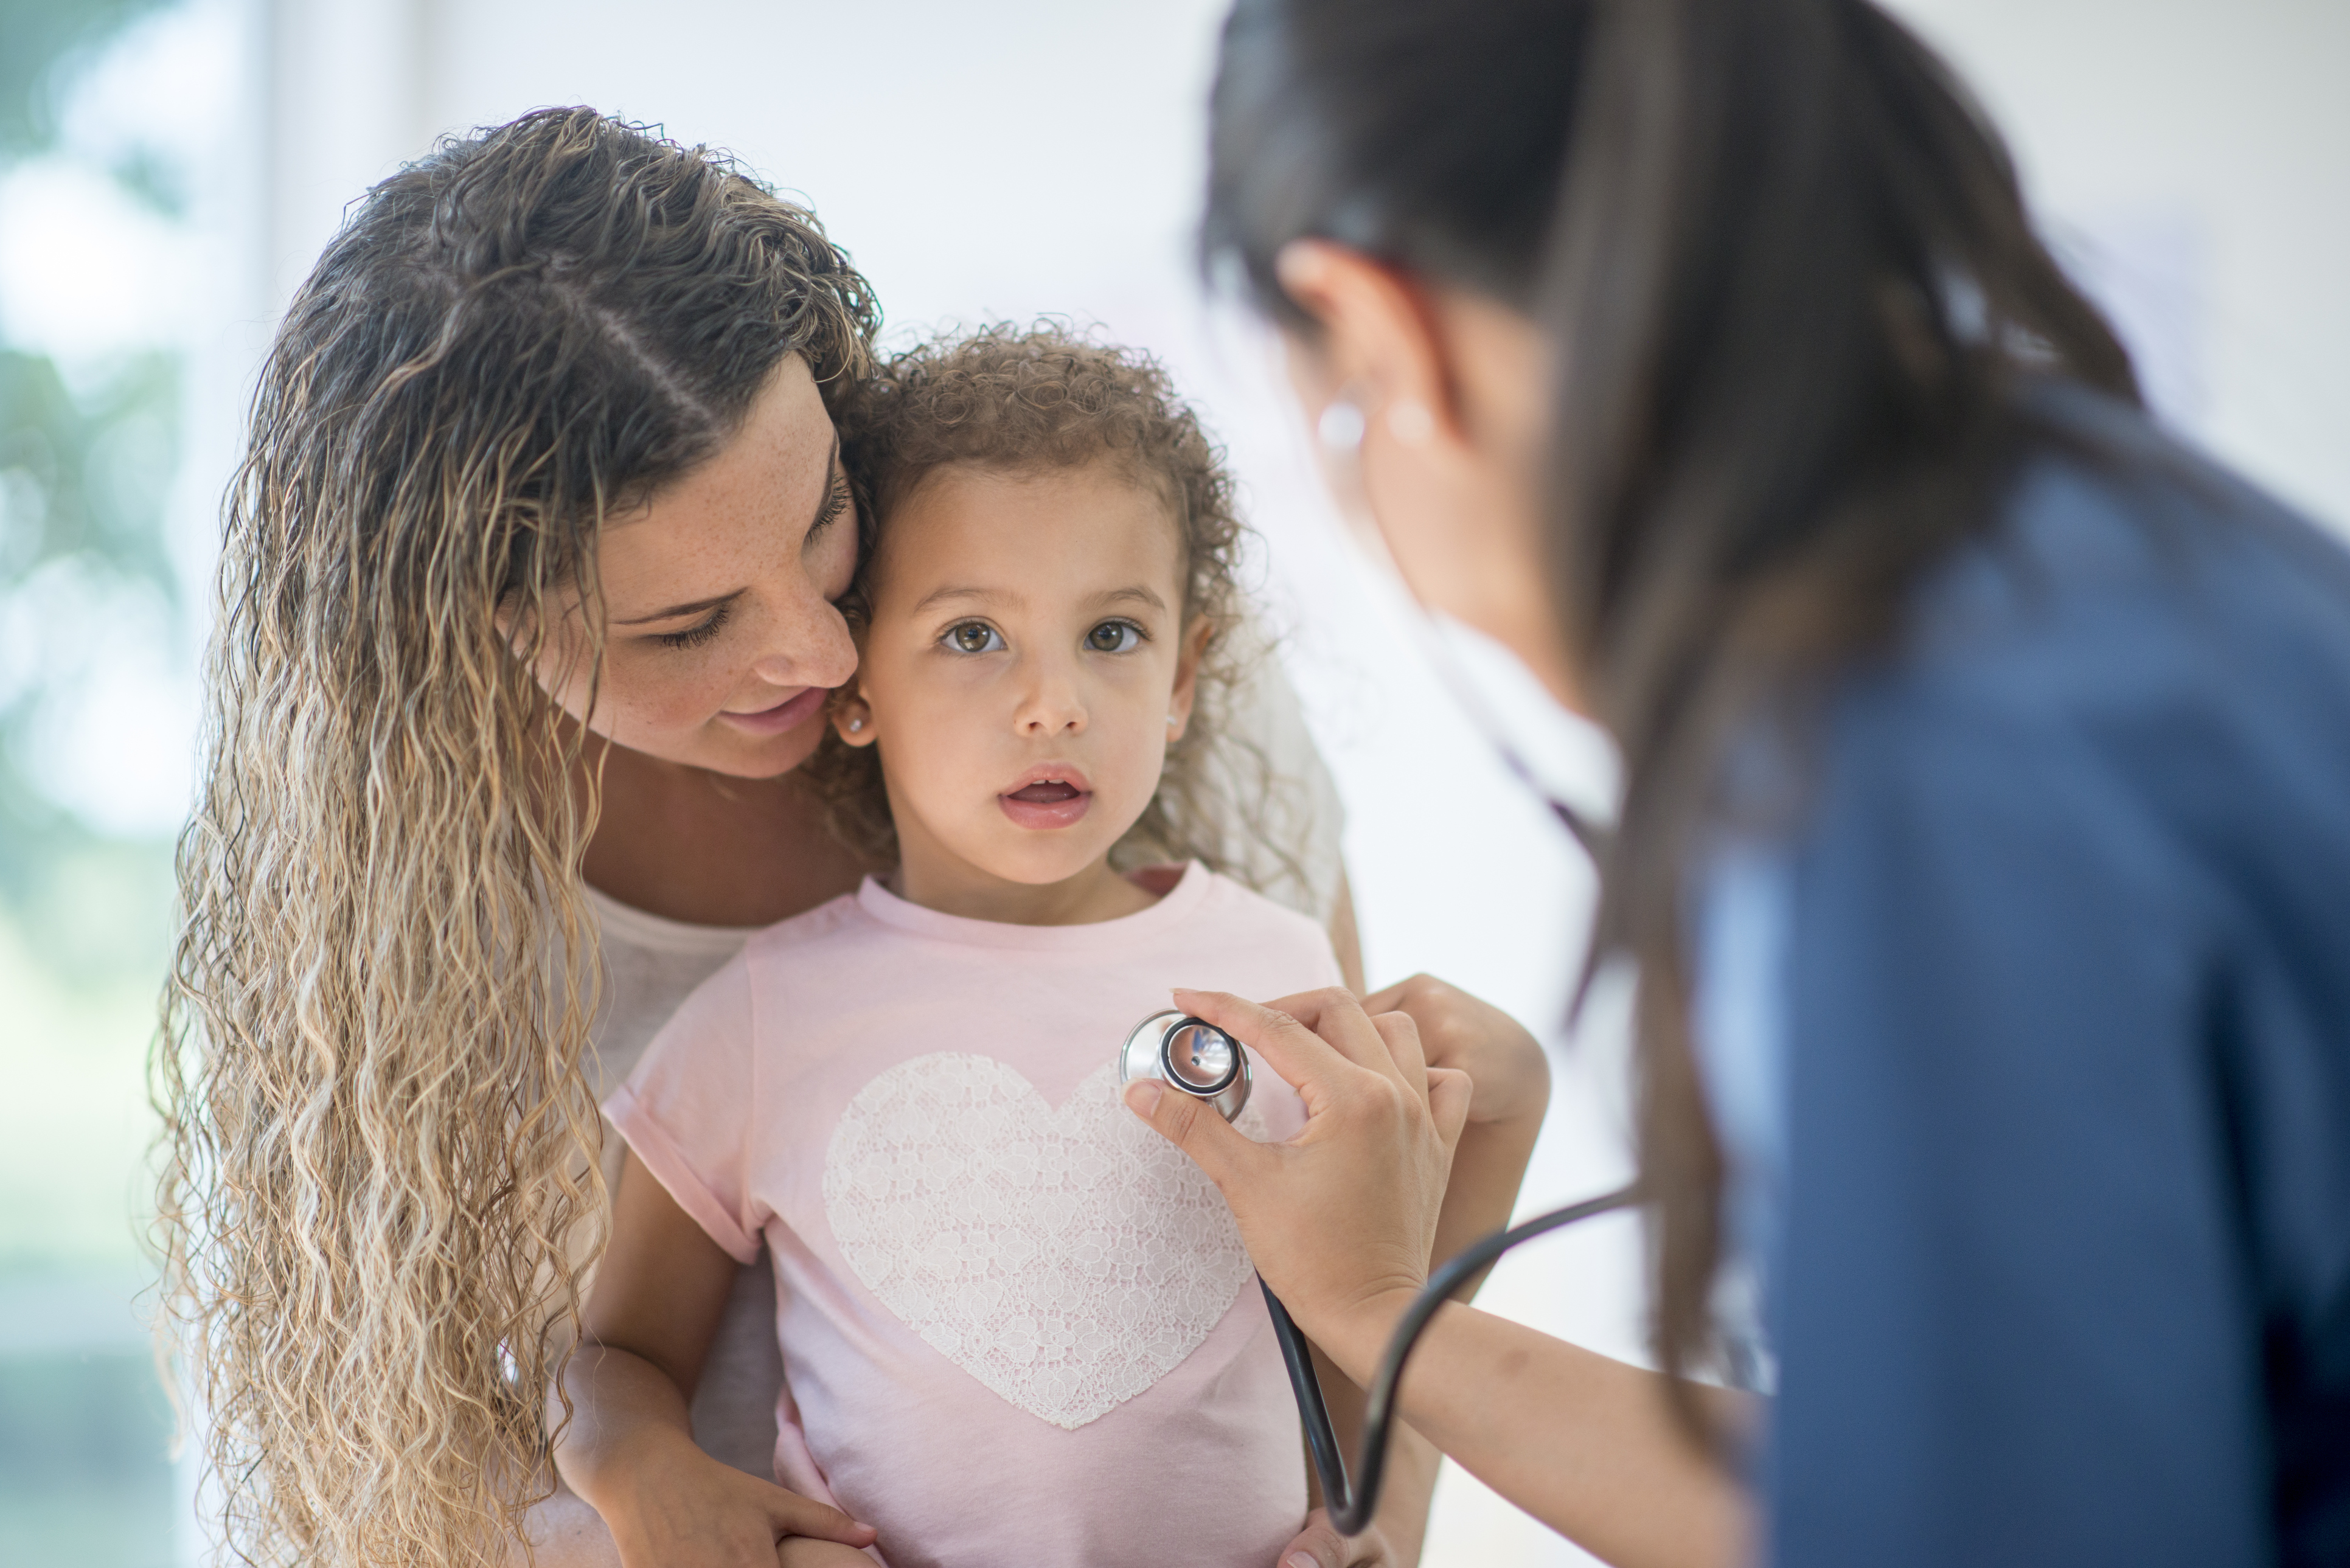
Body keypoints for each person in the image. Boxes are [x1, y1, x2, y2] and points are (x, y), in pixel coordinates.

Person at [153, 111, 1546, 1568]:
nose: (823, 652)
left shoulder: (1145, 693)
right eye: (691, 624)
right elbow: (567, 1403)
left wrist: (1372, 1526)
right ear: (477, 637)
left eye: (825, 517)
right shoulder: (431, 931)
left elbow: (1357, 1309)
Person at [1121, 1, 2350, 1566]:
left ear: (1383, 339)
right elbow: (1915, 1474)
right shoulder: (2096, 545)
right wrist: (1377, 1309)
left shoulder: (1917, 774)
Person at [549, 325, 1546, 1568]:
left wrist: (1367, 1531)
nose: (1054, 704)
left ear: (1184, 679)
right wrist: (643, 1470)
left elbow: (1368, 1324)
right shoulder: (764, 1017)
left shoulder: (1278, 968)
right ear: (855, 685)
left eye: (1112, 635)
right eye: (973, 635)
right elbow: (617, 1357)